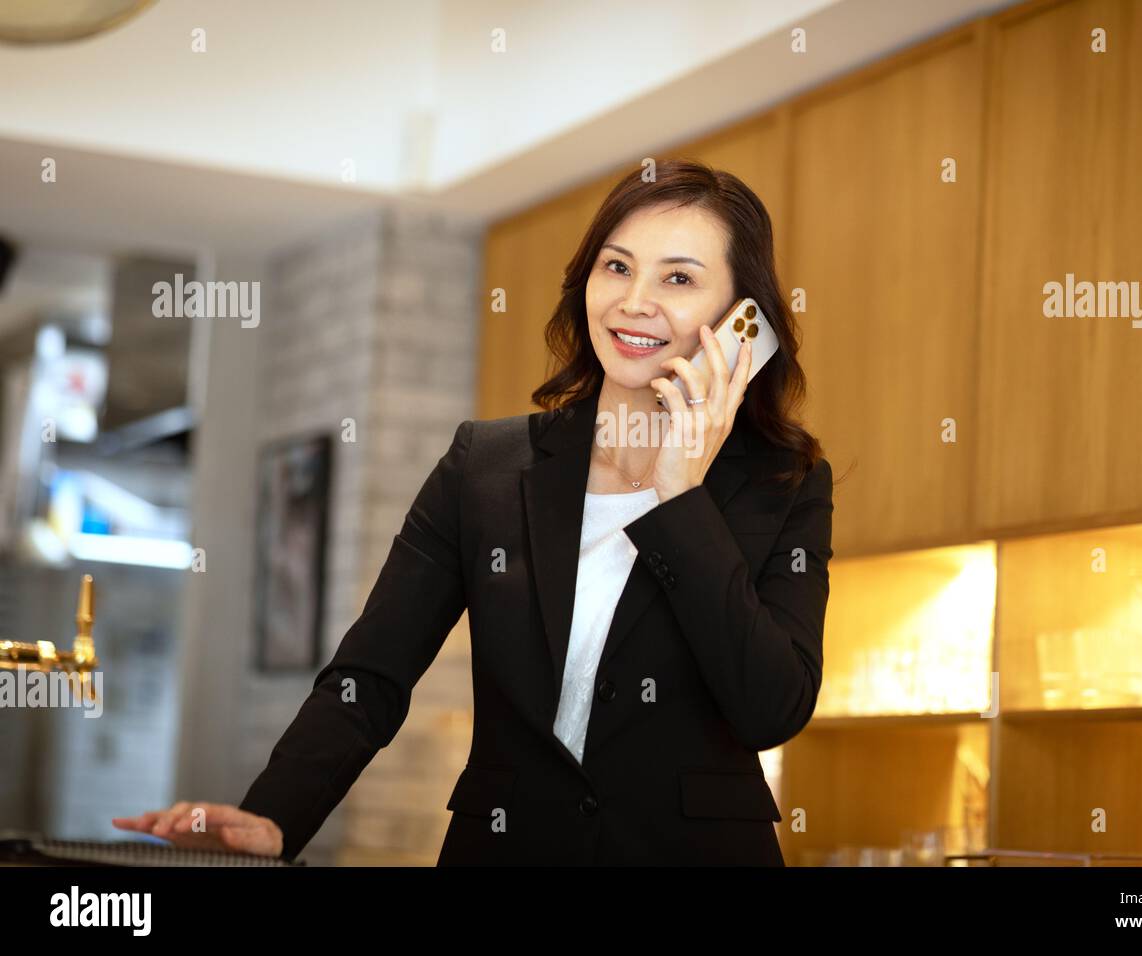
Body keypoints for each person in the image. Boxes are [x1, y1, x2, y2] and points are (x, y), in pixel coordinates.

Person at [113, 159, 835, 865]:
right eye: (616, 267)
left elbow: (771, 708)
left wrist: (680, 494)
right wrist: (274, 817)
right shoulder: (486, 467)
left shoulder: (785, 485)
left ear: (743, 317)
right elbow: (371, 672)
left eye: (678, 278)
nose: (633, 300)